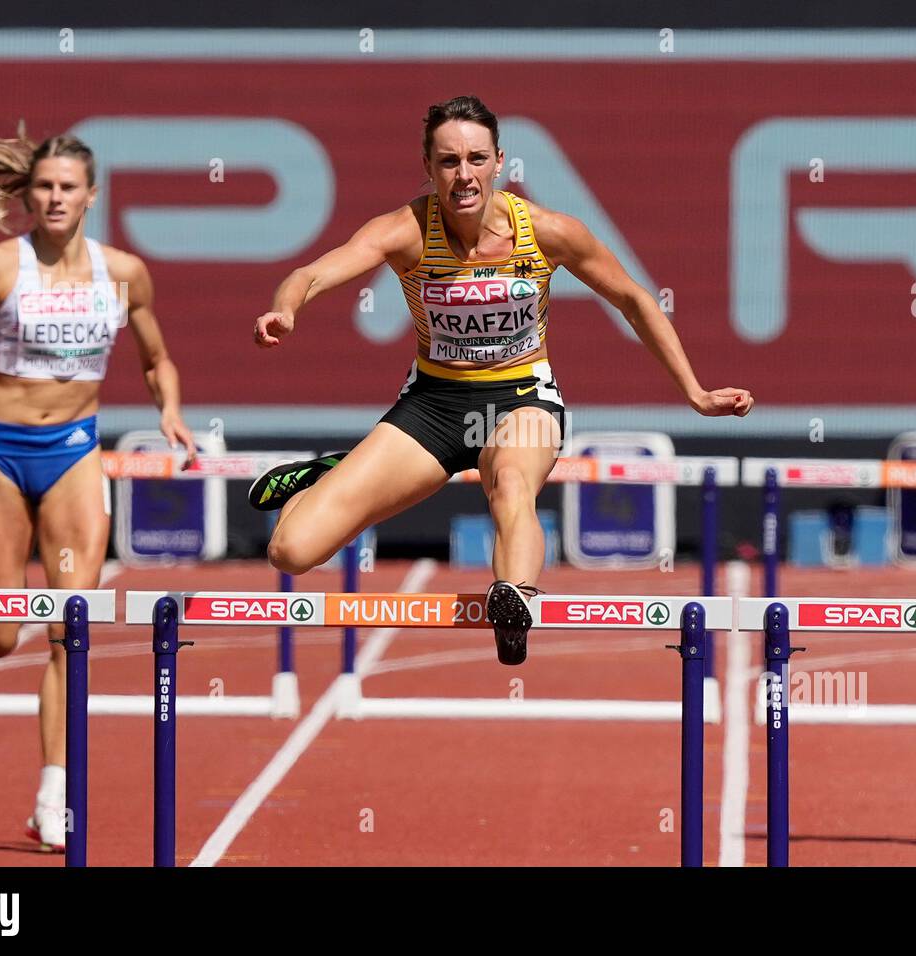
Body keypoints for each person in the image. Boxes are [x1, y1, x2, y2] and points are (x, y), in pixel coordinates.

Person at [250, 95, 753, 664]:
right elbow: (312, 273)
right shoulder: (406, 231)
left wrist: (694, 391)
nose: (463, 174)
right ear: (428, 167)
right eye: (448, 161)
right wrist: (285, 309)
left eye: (475, 158)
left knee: (511, 484)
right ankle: (334, 472)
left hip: (522, 400)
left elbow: (635, 300)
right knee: (290, 552)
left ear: (498, 162)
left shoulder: (546, 232)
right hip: (434, 405)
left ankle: (513, 600)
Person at [0, 126, 196, 850]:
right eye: (43, 186)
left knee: (67, 628)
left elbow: (157, 356)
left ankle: (54, 796)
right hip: (1, 458)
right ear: (30, 194)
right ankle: (47, 778)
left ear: (90, 195)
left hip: (76, 455)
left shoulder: (124, 274)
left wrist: (168, 408)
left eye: (66, 187)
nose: (53, 197)